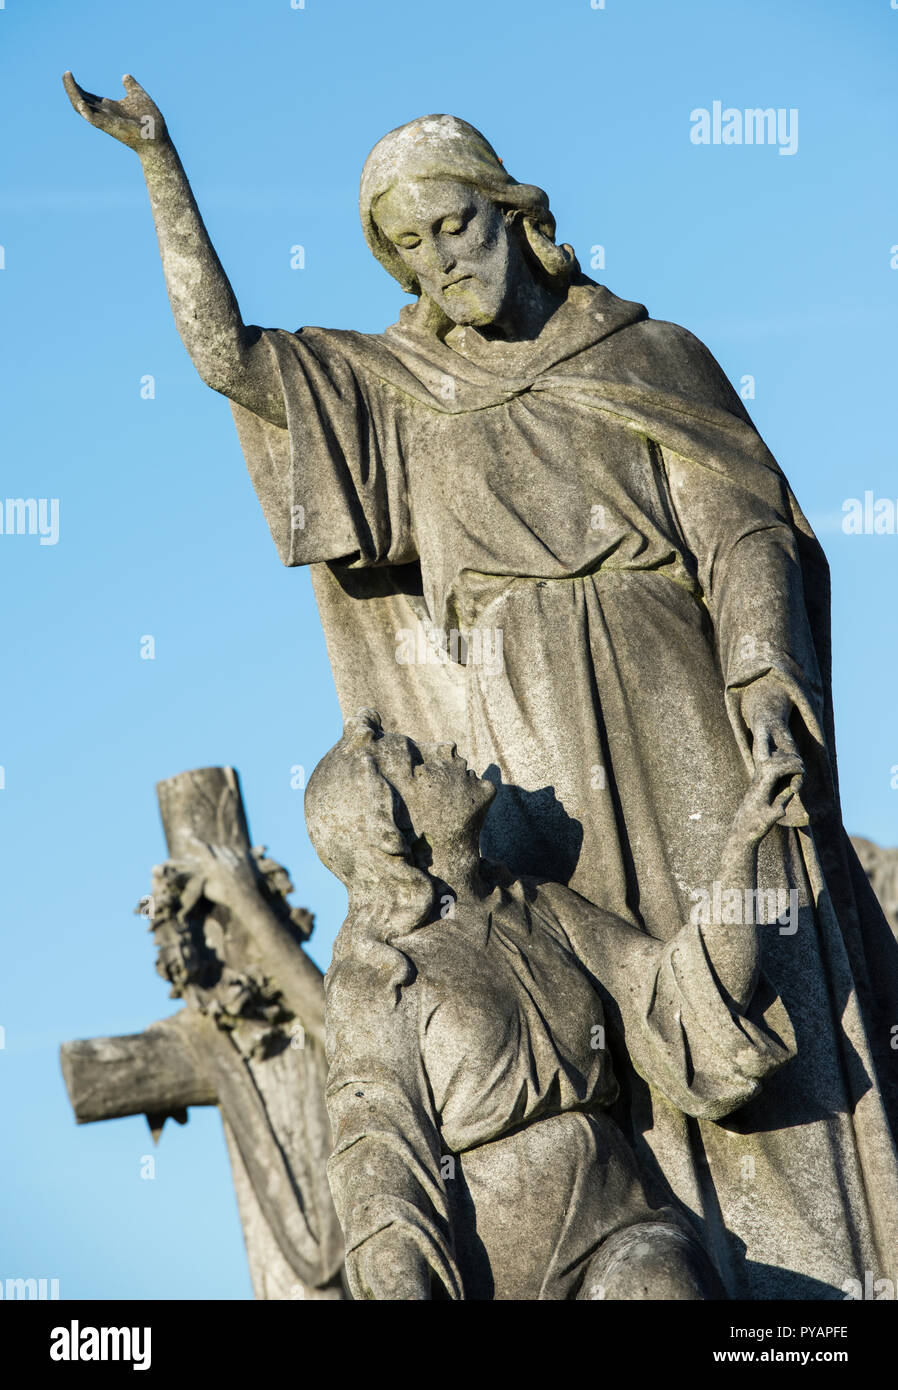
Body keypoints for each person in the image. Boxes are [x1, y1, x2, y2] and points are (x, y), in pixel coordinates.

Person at [63, 79, 898, 1295]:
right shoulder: (400, 393)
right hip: (520, 753)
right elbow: (225, 358)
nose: (439, 260)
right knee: (592, 1008)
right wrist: (160, 171)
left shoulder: (653, 358)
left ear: (515, 209)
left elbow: (746, 534)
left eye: (453, 224)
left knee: (743, 959)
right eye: (407, 246)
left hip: (682, 716)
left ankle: (803, 1286)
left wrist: (765, 670)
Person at [309, 710, 800, 1300]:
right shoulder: (380, 976)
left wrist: (743, 844)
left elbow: (676, 994)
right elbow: (378, 1147)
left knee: (662, 1286)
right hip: (503, 1265)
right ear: (394, 829)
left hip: (622, 1213)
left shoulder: (542, 907)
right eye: (416, 762)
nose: (443, 747)